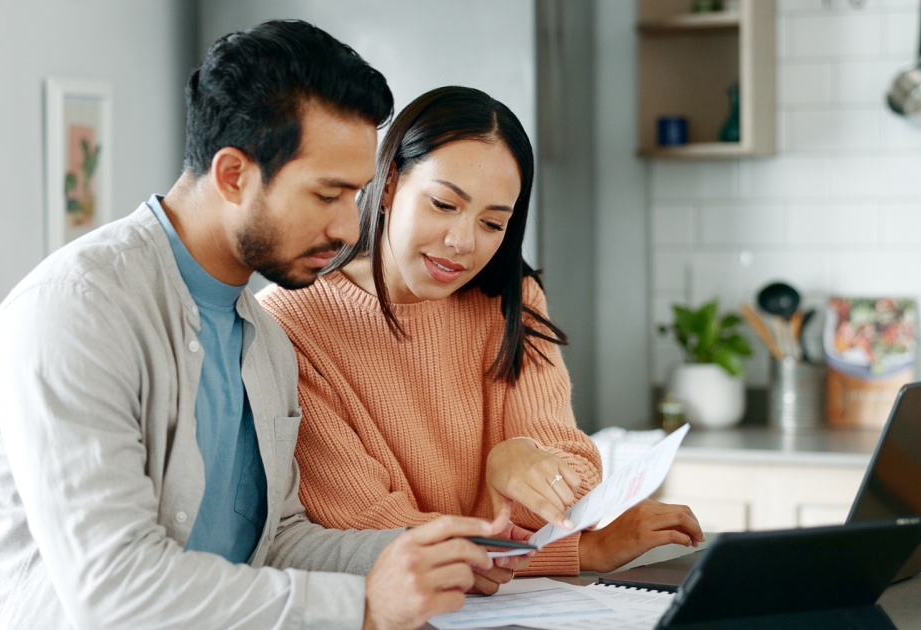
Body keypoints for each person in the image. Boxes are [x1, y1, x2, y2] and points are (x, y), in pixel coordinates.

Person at [0, 23, 518, 630]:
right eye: (328, 195)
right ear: (233, 175)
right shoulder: (77, 312)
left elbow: (277, 542)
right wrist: (364, 606)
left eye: (356, 196)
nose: (350, 229)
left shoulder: (264, 339)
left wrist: (426, 556)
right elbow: (115, 590)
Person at [259, 86, 704, 585]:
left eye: (493, 223)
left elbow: (576, 477)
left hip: (509, 601)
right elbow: (367, 525)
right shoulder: (289, 325)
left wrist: (517, 460)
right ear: (387, 186)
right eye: (444, 204)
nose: (463, 242)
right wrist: (582, 551)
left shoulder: (511, 297)